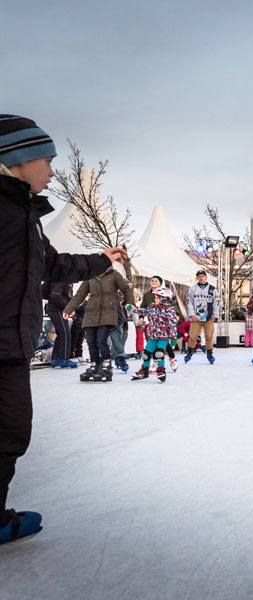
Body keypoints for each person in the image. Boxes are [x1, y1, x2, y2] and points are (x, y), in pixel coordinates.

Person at [0, 113, 126, 544]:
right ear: (18, 158)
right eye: (48, 161)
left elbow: (52, 264)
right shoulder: (8, 211)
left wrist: (101, 260)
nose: (53, 172)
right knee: (7, 432)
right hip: (4, 341)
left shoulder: (24, 213)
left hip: (11, 340)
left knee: (10, 431)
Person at [63, 266, 135, 382]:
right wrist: (68, 309)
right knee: (91, 342)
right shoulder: (90, 276)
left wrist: (130, 303)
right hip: (91, 312)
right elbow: (80, 295)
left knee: (101, 341)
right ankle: (94, 366)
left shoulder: (114, 275)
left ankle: (106, 367)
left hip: (108, 312)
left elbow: (126, 289)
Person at [131, 287, 179, 382]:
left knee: (159, 353)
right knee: (146, 354)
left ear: (163, 299)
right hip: (153, 335)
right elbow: (144, 311)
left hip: (164, 336)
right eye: (155, 298)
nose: (155, 300)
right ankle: (144, 370)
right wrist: (134, 309)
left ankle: (161, 370)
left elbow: (172, 323)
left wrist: (174, 337)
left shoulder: (169, 310)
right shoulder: (153, 308)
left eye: (157, 298)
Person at [184, 270, 219, 364]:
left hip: (208, 317)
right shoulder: (192, 289)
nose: (201, 278)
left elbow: (216, 303)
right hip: (196, 318)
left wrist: (215, 315)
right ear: (197, 278)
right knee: (192, 336)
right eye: (199, 276)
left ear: (206, 277)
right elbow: (189, 302)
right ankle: (189, 352)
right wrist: (192, 314)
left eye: (203, 276)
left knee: (209, 336)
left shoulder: (212, 289)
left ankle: (210, 353)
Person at [43, 282, 76, 368]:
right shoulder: (62, 279)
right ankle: (63, 359)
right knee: (65, 334)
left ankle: (55, 359)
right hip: (57, 309)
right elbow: (55, 295)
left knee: (62, 333)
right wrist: (67, 308)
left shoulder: (67, 280)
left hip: (57, 309)